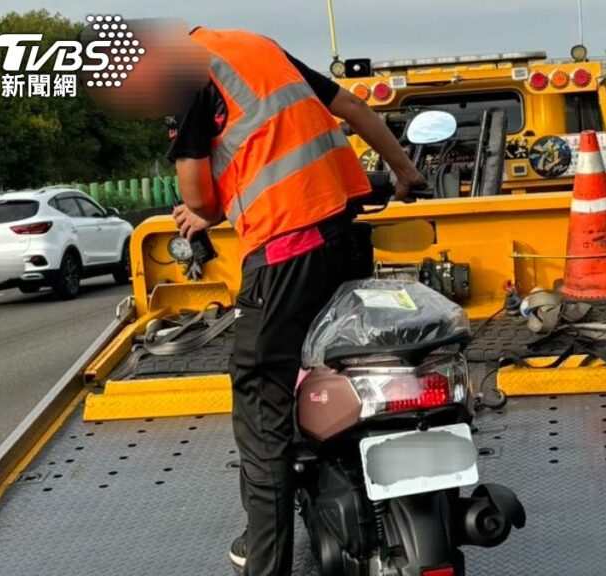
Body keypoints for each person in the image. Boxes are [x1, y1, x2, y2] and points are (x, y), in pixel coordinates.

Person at [165, 27, 424, 576]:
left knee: (262, 414)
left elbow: (197, 191)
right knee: (343, 372)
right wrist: (404, 173)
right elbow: (353, 105)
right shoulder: (256, 48)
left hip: (284, 257)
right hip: (344, 243)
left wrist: (203, 212)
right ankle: (370, 509)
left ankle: (265, 561)